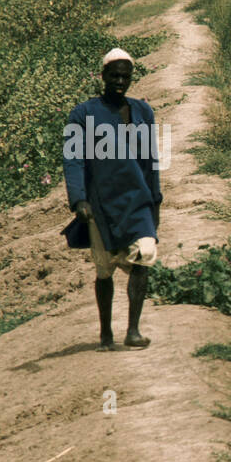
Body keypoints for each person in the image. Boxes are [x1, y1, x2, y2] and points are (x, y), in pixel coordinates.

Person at [63, 48, 162, 350]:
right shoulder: (83, 114)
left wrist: (155, 199)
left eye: (125, 76)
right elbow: (73, 159)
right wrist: (79, 199)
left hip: (138, 199)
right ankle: (106, 333)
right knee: (104, 269)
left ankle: (133, 330)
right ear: (103, 76)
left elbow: (153, 160)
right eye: (114, 76)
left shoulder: (144, 112)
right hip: (101, 203)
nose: (120, 81)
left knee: (144, 255)